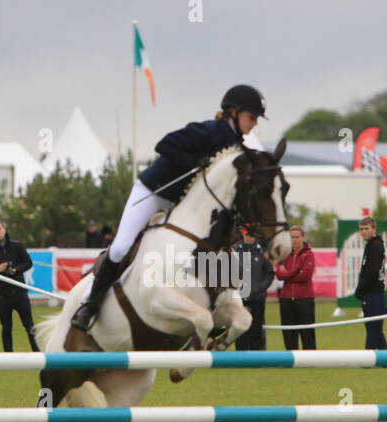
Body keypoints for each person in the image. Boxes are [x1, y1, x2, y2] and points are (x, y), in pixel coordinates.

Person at [70, 84, 268, 331]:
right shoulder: (207, 131)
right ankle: (90, 303)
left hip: (181, 202)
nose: (254, 123)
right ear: (233, 112)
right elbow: (164, 145)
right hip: (154, 191)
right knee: (121, 245)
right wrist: (195, 161)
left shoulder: (239, 148)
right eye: (252, 117)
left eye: (256, 119)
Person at [0, 220, 40, 353]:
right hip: (2, 296)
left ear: (4, 229)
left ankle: (37, 353)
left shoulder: (17, 246)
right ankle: (8, 356)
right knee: (6, 327)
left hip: (20, 293)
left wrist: (16, 270)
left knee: (29, 325)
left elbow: (28, 263)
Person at [275, 225, 317, 350]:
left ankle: (310, 359)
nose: (294, 240)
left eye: (297, 237)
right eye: (292, 237)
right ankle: (291, 359)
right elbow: (278, 275)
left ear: (303, 238)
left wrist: (287, 273)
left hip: (305, 299)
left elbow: (306, 276)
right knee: (288, 332)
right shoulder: (284, 254)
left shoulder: (309, 254)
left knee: (307, 332)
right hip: (286, 299)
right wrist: (296, 271)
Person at [234, 228, 274, 350]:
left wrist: (261, 287)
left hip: (257, 298)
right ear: (243, 234)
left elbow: (269, 273)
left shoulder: (262, 252)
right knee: (240, 327)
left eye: (252, 235)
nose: (249, 237)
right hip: (239, 298)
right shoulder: (235, 251)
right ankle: (241, 356)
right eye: (247, 234)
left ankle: (258, 356)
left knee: (256, 328)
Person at [354, 216, 387, 350]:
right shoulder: (371, 245)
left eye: (366, 228)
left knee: (373, 327)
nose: (363, 231)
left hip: (373, 292)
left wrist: (359, 290)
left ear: (374, 229)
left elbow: (372, 273)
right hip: (370, 293)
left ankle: (368, 357)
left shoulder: (376, 246)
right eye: (361, 229)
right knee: (374, 327)